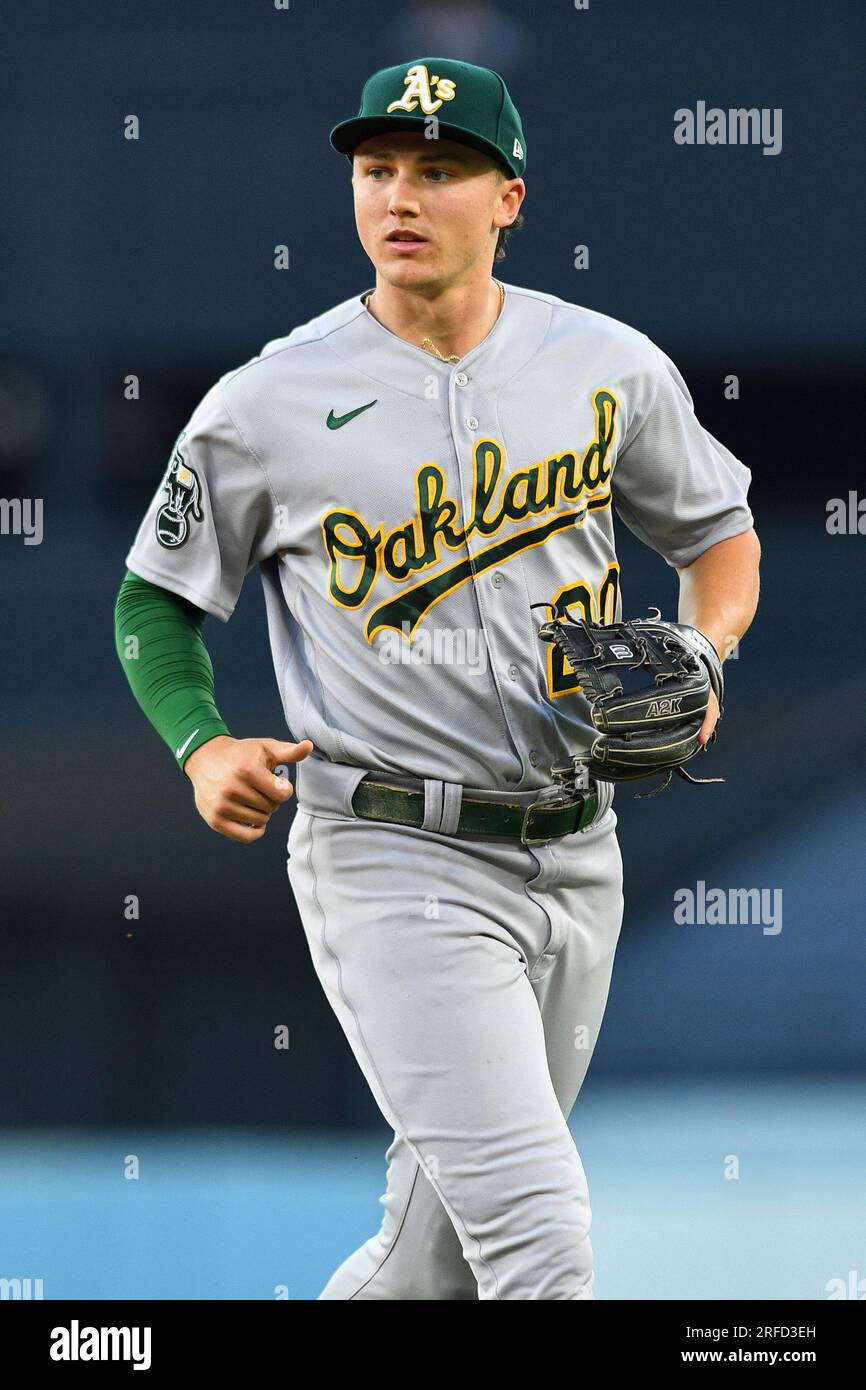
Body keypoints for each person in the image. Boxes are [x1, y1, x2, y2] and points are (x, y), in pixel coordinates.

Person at [114, 56, 761, 1299]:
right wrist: (201, 742)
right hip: (391, 850)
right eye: (376, 170)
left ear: (508, 197)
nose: (399, 196)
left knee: (435, 1268)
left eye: (438, 169)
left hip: (579, 845)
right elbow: (155, 597)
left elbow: (715, 534)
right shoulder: (268, 398)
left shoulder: (607, 364)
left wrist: (706, 646)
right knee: (538, 1235)